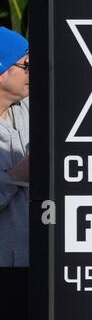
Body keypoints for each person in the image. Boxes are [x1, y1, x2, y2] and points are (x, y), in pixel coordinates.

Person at [0, 28, 30, 268]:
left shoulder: (30, 109)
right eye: (26, 65)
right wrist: (17, 175)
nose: (33, 72)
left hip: (35, 268)